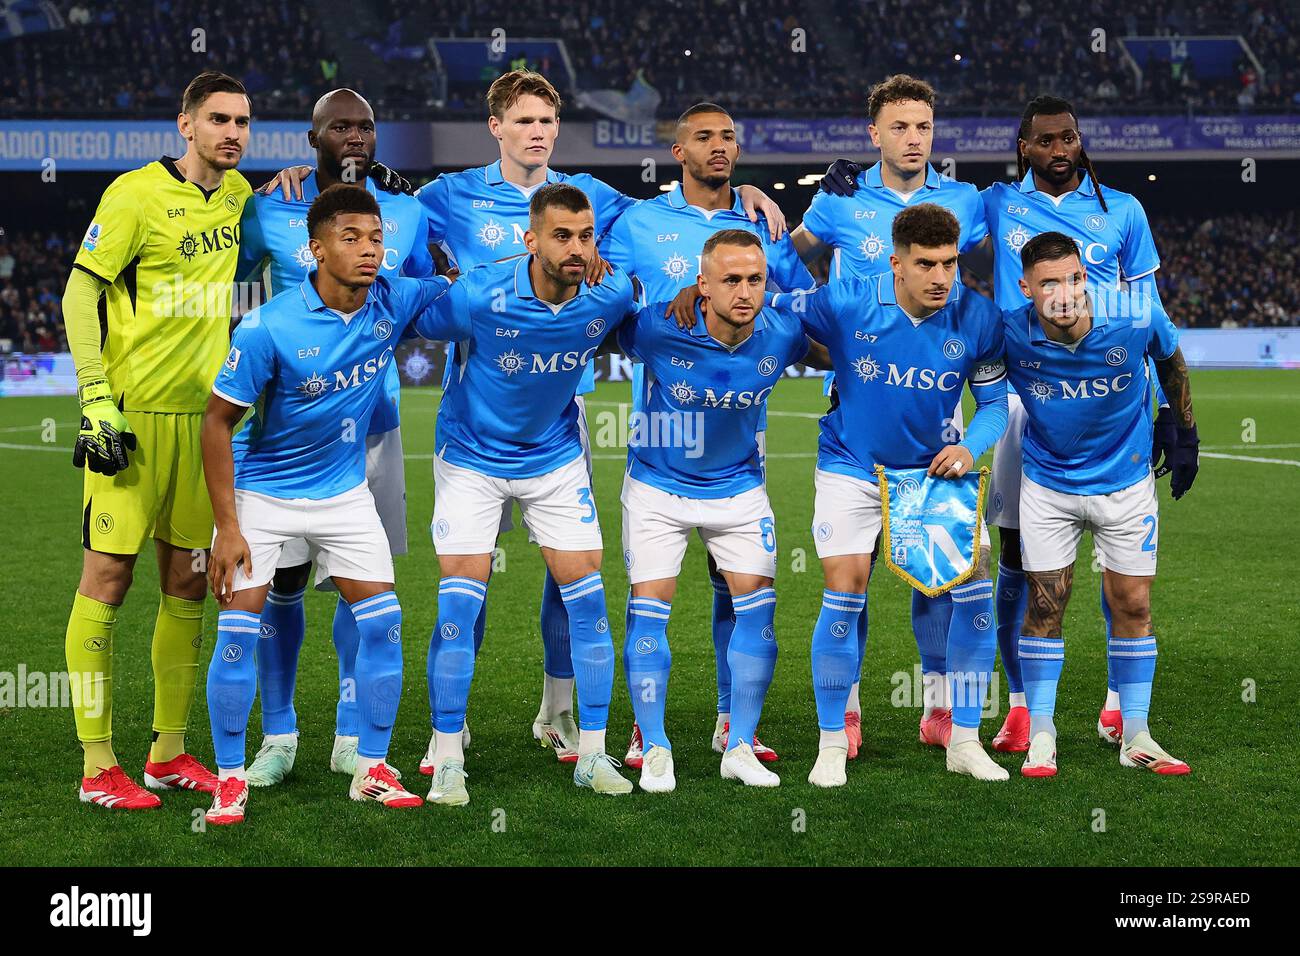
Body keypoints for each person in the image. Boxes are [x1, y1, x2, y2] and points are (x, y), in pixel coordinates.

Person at [200, 185, 466, 824]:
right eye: (351, 239)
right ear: (314, 249)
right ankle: (230, 777)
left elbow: (461, 280)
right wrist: (227, 527)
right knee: (238, 635)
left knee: (384, 623)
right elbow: (215, 424)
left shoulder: (392, 299)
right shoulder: (268, 326)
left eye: (376, 238)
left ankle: (370, 767)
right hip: (263, 496)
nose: (370, 250)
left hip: (344, 496)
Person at [600, 101, 815, 768]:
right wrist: (667, 302)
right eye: (703, 137)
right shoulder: (637, 221)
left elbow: (802, 303)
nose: (719, 147)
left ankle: (731, 723)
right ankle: (646, 729)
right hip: (664, 432)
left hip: (738, 442)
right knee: (651, 599)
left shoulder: (759, 222)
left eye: (728, 137)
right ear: (678, 151)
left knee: (737, 592)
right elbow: (604, 294)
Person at [62, 71, 253, 810]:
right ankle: (96, 765)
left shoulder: (238, 197)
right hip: (131, 422)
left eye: (241, 121)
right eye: (218, 119)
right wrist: (94, 400)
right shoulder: (134, 194)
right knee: (107, 579)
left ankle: (168, 753)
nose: (232, 132)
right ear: (186, 125)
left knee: (187, 585)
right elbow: (81, 291)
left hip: (203, 425)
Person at [770, 203, 1009, 785]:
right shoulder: (847, 300)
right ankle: (832, 740)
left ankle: (965, 740)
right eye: (926, 265)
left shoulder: (978, 318)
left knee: (977, 594)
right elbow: (767, 290)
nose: (941, 278)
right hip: (851, 468)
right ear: (895, 264)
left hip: (933, 473)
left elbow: (995, 406)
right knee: (844, 594)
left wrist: (970, 447)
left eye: (950, 264)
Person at [235, 88, 434, 785]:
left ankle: (352, 733)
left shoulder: (407, 211)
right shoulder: (268, 207)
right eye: (340, 125)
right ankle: (278, 734)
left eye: (367, 126)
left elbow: (427, 297)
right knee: (279, 587)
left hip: (373, 431)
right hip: (282, 441)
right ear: (312, 136)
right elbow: (235, 295)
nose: (355, 136)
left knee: (364, 593)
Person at [421, 183, 640, 805]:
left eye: (585, 236)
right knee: (459, 608)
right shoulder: (479, 294)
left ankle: (591, 752)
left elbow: (649, 306)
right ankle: (446, 753)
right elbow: (409, 315)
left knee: (590, 606)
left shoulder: (609, 293)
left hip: (555, 461)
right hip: (470, 459)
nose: (576, 248)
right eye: (562, 235)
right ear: (532, 239)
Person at [790, 75, 988, 755]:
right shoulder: (843, 200)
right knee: (855, 575)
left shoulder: (963, 201)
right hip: (860, 396)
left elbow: (995, 273)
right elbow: (790, 262)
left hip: (934, 403)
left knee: (939, 575)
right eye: (899, 127)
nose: (913, 139)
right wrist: (813, 202)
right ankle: (844, 713)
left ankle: (940, 708)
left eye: (924, 127)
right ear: (873, 133)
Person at [980, 95, 1171, 753]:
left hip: (1102, 391)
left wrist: (1171, 411)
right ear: (1025, 147)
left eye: (1069, 138)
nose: (1060, 150)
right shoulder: (997, 203)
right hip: (1017, 388)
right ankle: (1022, 706)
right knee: (1017, 561)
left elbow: (1148, 308)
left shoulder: (1124, 209)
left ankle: (1119, 703)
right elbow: (923, 214)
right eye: (1046, 141)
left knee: (1114, 559)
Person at [1000, 231, 1196, 777]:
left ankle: (1137, 733)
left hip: (1127, 484)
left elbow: (1172, 358)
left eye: (1074, 279)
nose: (1065, 294)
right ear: (1025, 288)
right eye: (1049, 284)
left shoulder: (1133, 314)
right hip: (1049, 488)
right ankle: (1042, 732)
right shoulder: (1010, 332)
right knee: (1044, 608)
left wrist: (1184, 430)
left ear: (1087, 277)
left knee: (1133, 605)